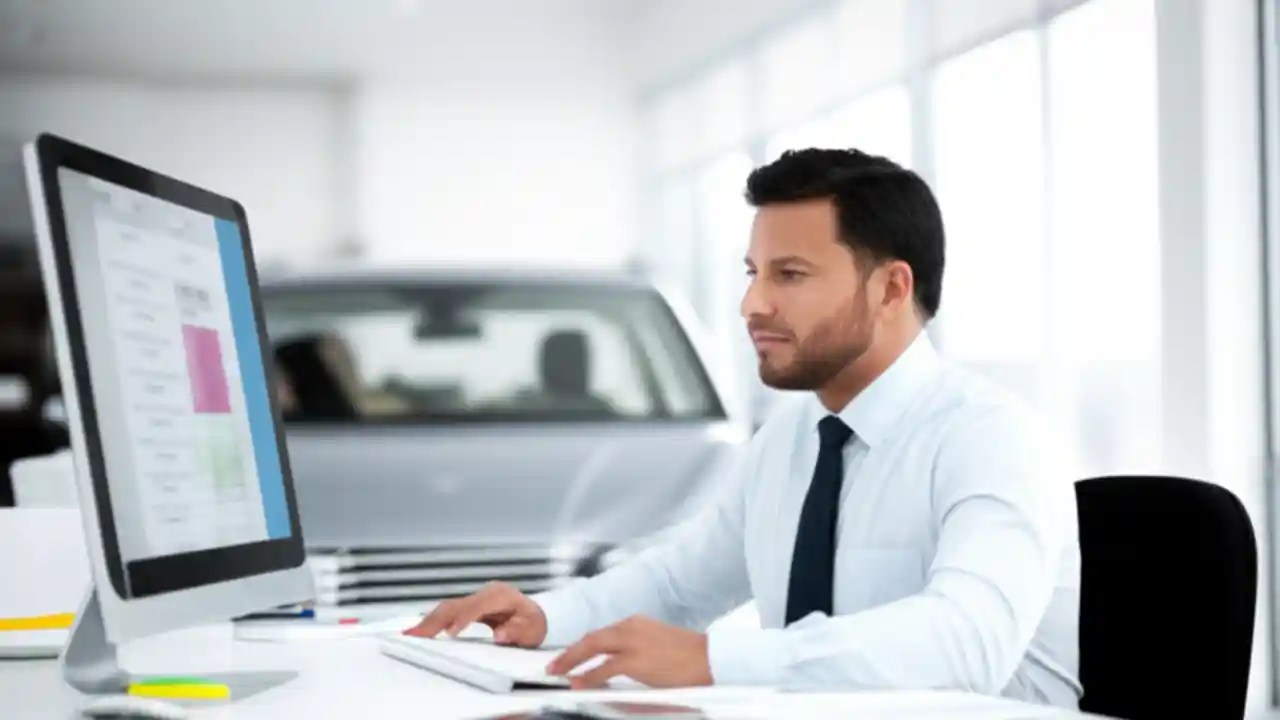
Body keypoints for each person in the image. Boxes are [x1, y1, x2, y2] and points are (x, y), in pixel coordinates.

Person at [405, 149, 1081, 707]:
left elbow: (968, 641)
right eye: (755, 274)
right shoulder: (791, 438)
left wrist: (711, 658)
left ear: (891, 290)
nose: (752, 305)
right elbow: (680, 584)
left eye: (790, 275)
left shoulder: (994, 439)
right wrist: (549, 616)